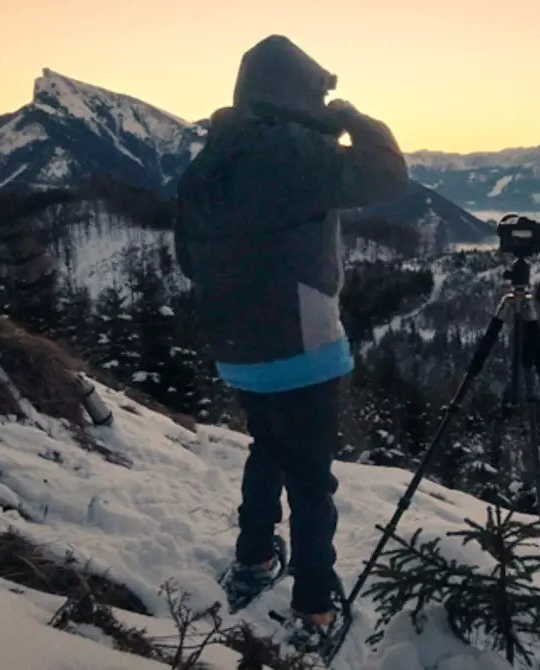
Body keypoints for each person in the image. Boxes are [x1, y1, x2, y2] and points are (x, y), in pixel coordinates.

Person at [173, 34, 409, 645]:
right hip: (304, 346)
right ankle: (314, 609)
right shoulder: (291, 151)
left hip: (237, 349)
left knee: (267, 448)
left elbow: (187, 259)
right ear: (300, 94)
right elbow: (386, 173)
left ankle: (254, 561)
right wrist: (357, 119)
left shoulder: (211, 160)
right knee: (309, 478)